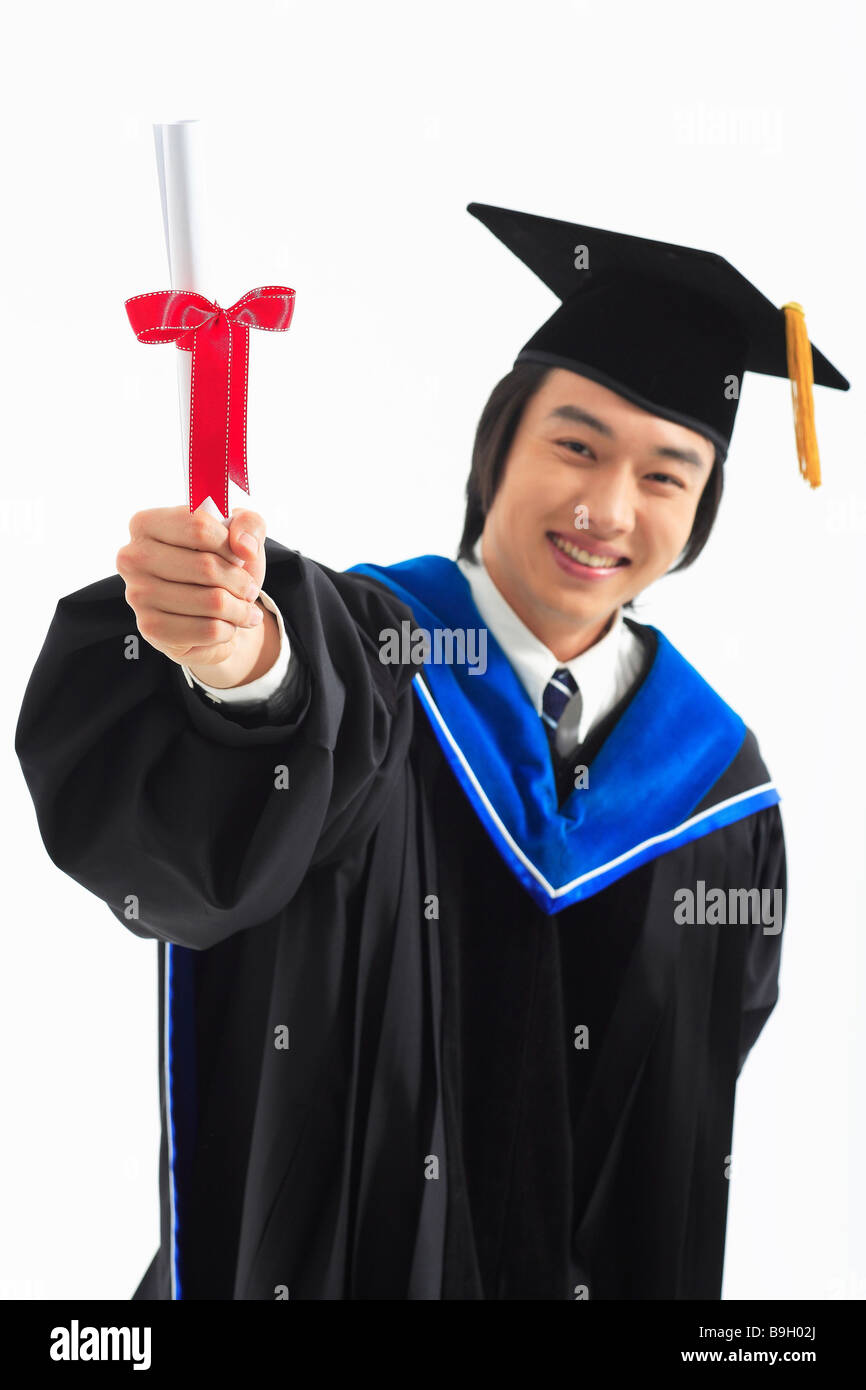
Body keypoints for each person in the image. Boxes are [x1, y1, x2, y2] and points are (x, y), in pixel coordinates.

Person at [15, 203, 849, 1300]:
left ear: (695, 517)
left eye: (663, 475)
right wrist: (239, 662)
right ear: (498, 445)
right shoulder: (377, 652)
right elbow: (299, 716)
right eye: (575, 444)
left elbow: (688, 1108)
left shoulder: (719, 789)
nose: (604, 507)